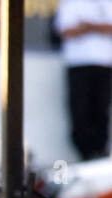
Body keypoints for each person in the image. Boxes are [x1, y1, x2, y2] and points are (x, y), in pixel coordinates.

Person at [55, 0, 112, 160]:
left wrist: (88, 26)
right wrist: (98, 27)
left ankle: (100, 150)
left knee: (101, 109)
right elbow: (66, 31)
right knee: (80, 109)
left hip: (104, 63)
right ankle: (84, 151)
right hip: (78, 64)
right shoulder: (71, 4)